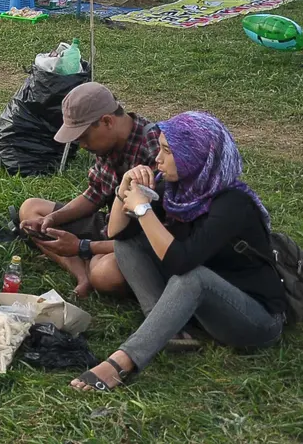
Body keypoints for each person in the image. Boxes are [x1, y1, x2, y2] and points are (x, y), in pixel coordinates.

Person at [70, 112, 285, 392]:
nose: (157, 158)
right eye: (159, 148)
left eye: (167, 151)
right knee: (129, 245)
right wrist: (124, 188)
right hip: (205, 310)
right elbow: (118, 234)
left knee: (194, 278)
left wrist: (143, 209)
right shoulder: (177, 189)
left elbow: (181, 262)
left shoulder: (233, 204)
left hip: (255, 319)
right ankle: (167, 328)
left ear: (194, 157)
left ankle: (123, 361)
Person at [18, 83, 161, 297]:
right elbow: (94, 195)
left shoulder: (155, 146)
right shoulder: (107, 142)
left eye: (84, 137)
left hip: (139, 239)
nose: (82, 145)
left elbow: (155, 232)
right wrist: (54, 219)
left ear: (107, 121)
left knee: (105, 274)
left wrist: (84, 246)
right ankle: (82, 275)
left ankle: (89, 263)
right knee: (31, 208)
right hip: (108, 225)